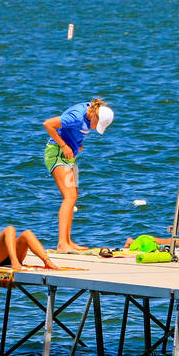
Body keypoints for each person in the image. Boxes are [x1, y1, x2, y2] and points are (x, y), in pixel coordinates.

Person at [43, 98, 114, 251]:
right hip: (57, 153)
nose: (95, 128)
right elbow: (48, 124)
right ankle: (62, 243)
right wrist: (64, 145)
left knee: (73, 195)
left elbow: (75, 132)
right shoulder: (77, 115)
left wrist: (77, 144)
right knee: (69, 196)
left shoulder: (90, 115)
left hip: (70, 156)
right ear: (95, 115)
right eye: (97, 124)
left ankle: (68, 241)